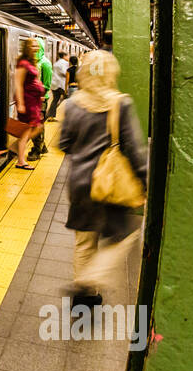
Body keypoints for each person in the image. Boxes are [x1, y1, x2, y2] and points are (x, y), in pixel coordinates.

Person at [57, 50, 148, 306]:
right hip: (111, 184)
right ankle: (91, 278)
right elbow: (133, 149)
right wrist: (144, 182)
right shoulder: (121, 103)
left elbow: (65, 144)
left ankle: (84, 296)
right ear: (111, 73)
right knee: (123, 234)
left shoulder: (72, 103)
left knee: (84, 242)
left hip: (81, 184)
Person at [12, 38, 46, 170]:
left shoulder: (31, 62)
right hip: (27, 100)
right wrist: (20, 103)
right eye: (33, 46)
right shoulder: (22, 63)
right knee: (28, 129)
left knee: (37, 127)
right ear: (27, 47)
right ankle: (21, 160)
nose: (36, 48)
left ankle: (18, 146)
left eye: (37, 46)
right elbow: (18, 84)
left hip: (34, 100)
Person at [32, 38, 54, 157]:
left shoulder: (45, 63)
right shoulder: (34, 62)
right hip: (32, 99)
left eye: (36, 46)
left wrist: (40, 96)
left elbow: (47, 84)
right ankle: (42, 146)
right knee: (35, 124)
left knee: (37, 125)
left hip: (40, 100)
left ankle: (37, 150)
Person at [48, 52, 70, 120]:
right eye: (68, 55)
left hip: (54, 84)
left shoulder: (56, 63)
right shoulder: (64, 63)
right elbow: (65, 73)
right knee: (68, 100)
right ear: (64, 56)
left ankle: (51, 116)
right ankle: (68, 117)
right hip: (61, 85)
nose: (68, 57)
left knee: (55, 100)